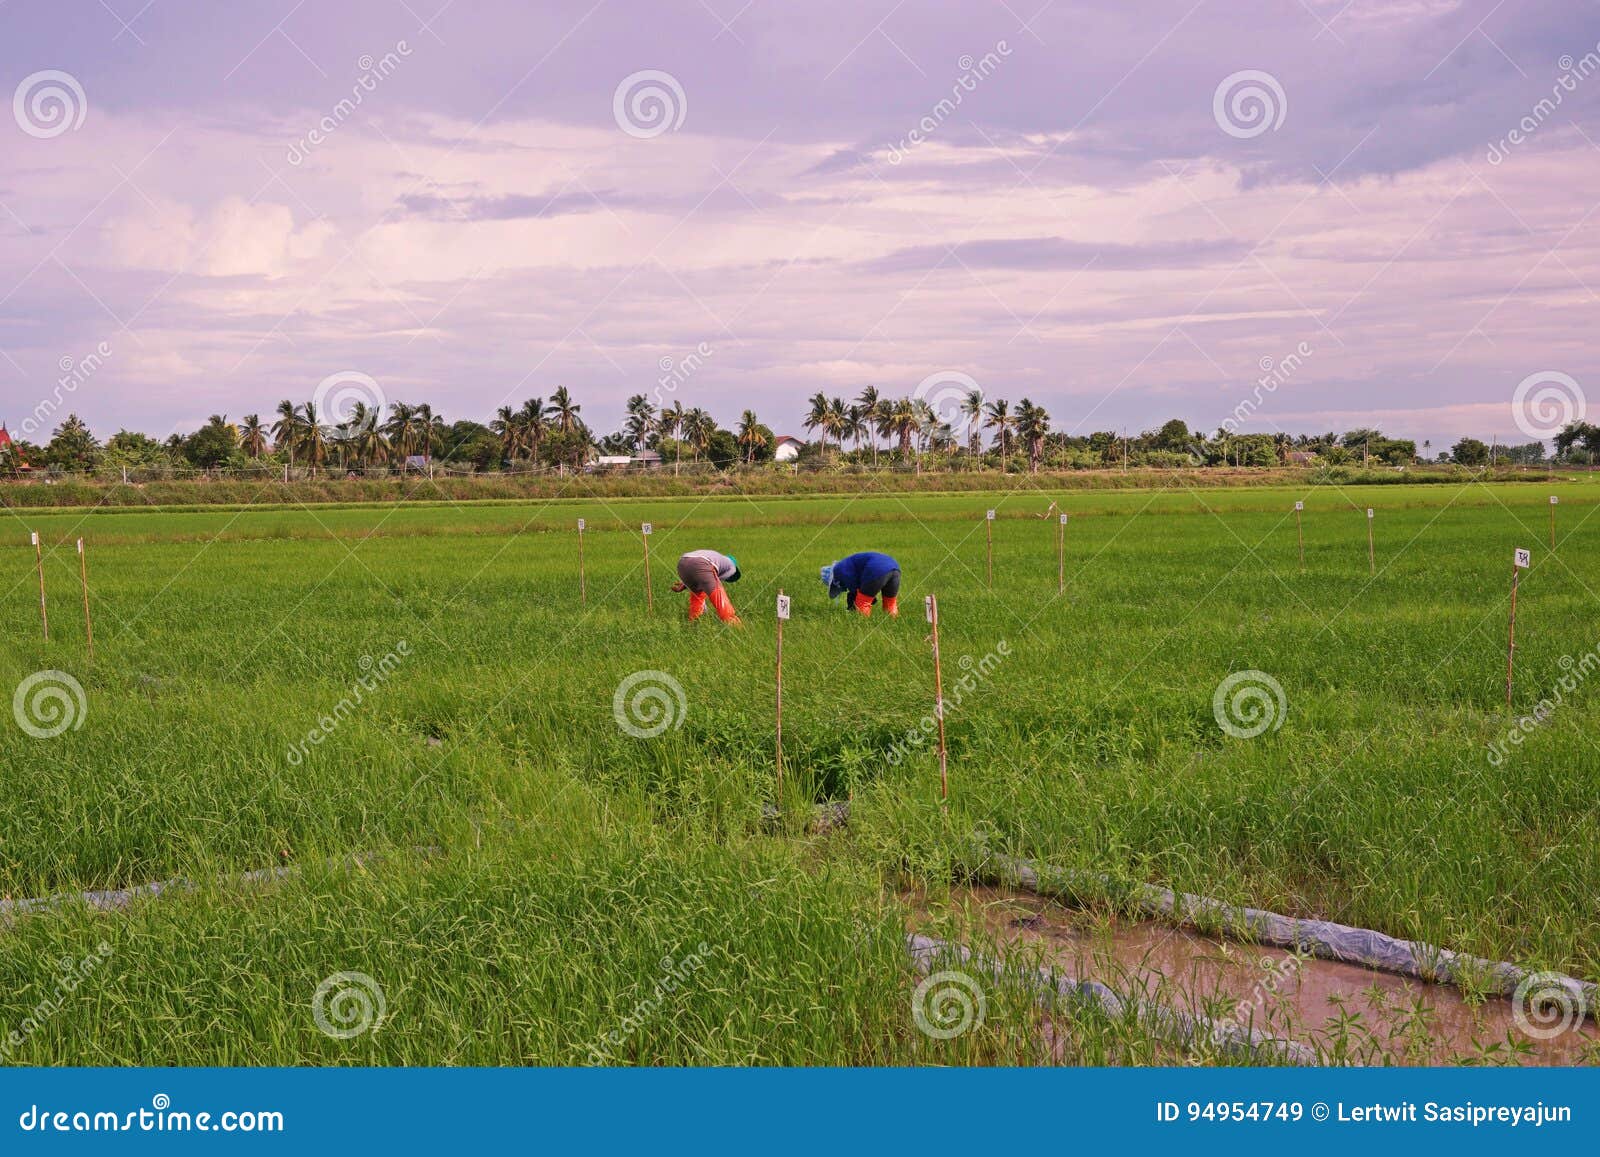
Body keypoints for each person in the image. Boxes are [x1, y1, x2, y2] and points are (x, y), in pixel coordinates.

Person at [671, 549, 743, 624]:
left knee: (697, 595)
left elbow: (697, 572)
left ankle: (694, 621)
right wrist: (712, 586)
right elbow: (716, 581)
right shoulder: (732, 566)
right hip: (701, 563)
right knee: (718, 595)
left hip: (682, 563)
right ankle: (733, 623)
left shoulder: (716, 558)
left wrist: (685, 584)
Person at [821, 551, 901, 616]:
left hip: (876, 568)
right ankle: (892, 620)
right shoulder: (847, 563)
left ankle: (863, 623)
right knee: (890, 604)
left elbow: (856, 589)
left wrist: (852, 606)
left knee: (862, 603)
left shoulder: (839, 570)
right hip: (895, 568)